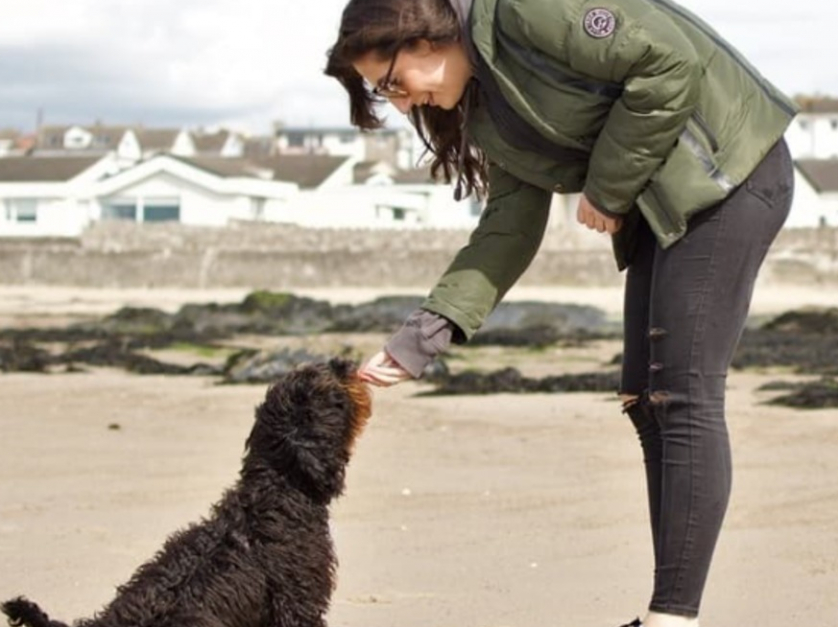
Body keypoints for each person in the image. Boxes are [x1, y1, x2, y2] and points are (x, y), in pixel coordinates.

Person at [325, 1, 796, 625]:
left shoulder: (520, 10)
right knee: (644, 399)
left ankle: (673, 618)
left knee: (682, 398)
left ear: (417, 38)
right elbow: (509, 227)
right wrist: (421, 339)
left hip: (730, 174)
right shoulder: (487, 104)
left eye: (392, 84)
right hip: (665, 201)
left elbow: (668, 63)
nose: (404, 104)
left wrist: (604, 188)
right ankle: (670, 612)